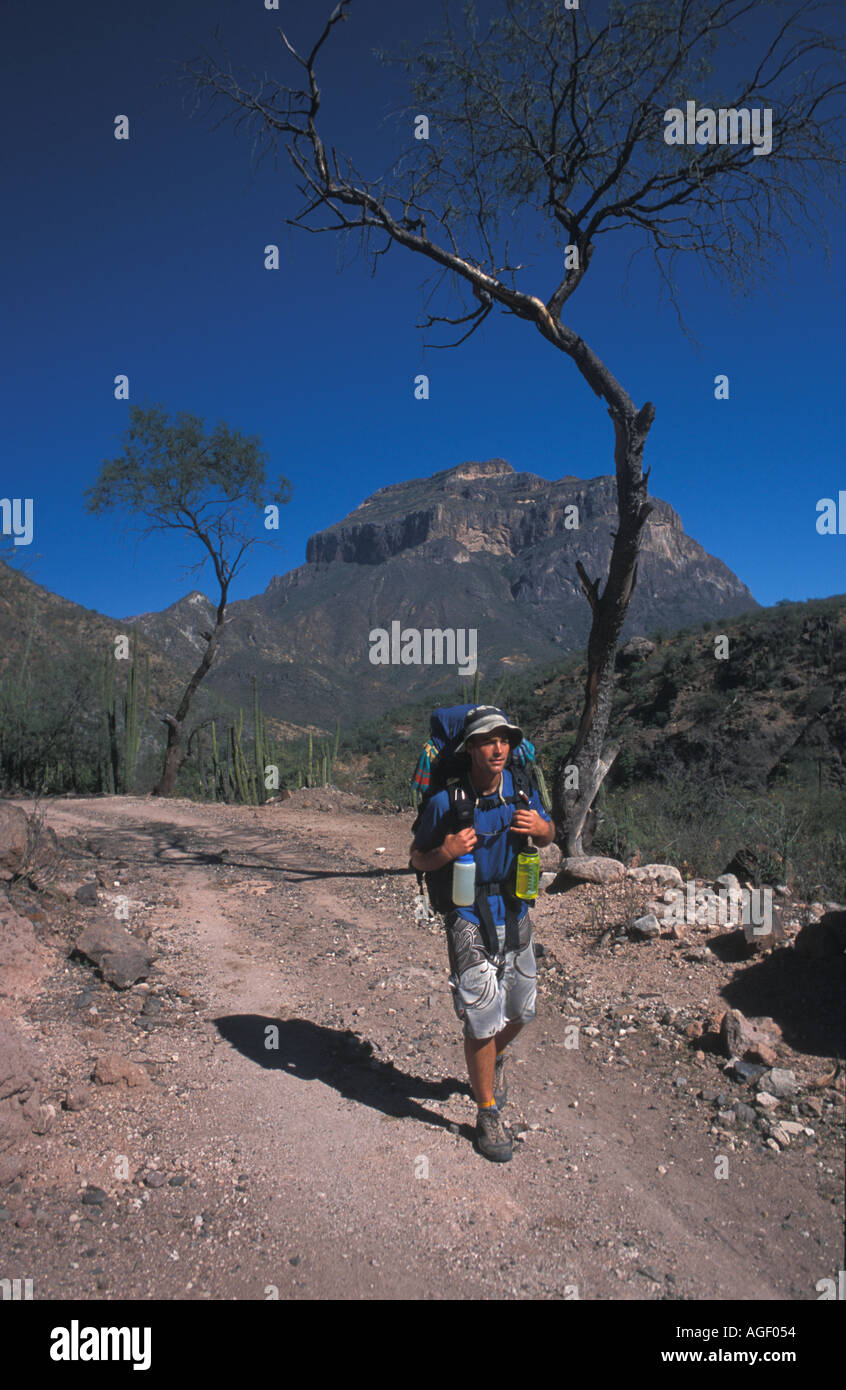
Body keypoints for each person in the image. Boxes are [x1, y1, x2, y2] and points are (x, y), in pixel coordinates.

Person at [409, 706, 555, 1162]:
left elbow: (551, 834)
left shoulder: (523, 790)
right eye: (488, 740)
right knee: (480, 1017)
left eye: (505, 739)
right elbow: (417, 857)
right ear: (469, 748)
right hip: (467, 914)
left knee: (523, 1010)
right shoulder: (446, 802)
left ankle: (491, 1060)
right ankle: (487, 1109)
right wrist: (447, 851)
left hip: (514, 907)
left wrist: (543, 830)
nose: (498, 748)